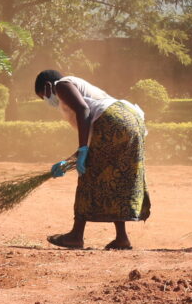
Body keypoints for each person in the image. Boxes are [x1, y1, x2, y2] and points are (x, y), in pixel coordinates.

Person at [35, 70, 151, 250]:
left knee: (90, 175)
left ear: (48, 86)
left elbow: (84, 110)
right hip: (131, 120)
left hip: (113, 121)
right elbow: (92, 139)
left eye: (44, 97)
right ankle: (121, 238)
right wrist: (70, 161)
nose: (48, 101)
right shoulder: (84, 92)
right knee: (114, 176)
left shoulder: (61, 85)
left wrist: (82, 151)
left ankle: (76, 235)